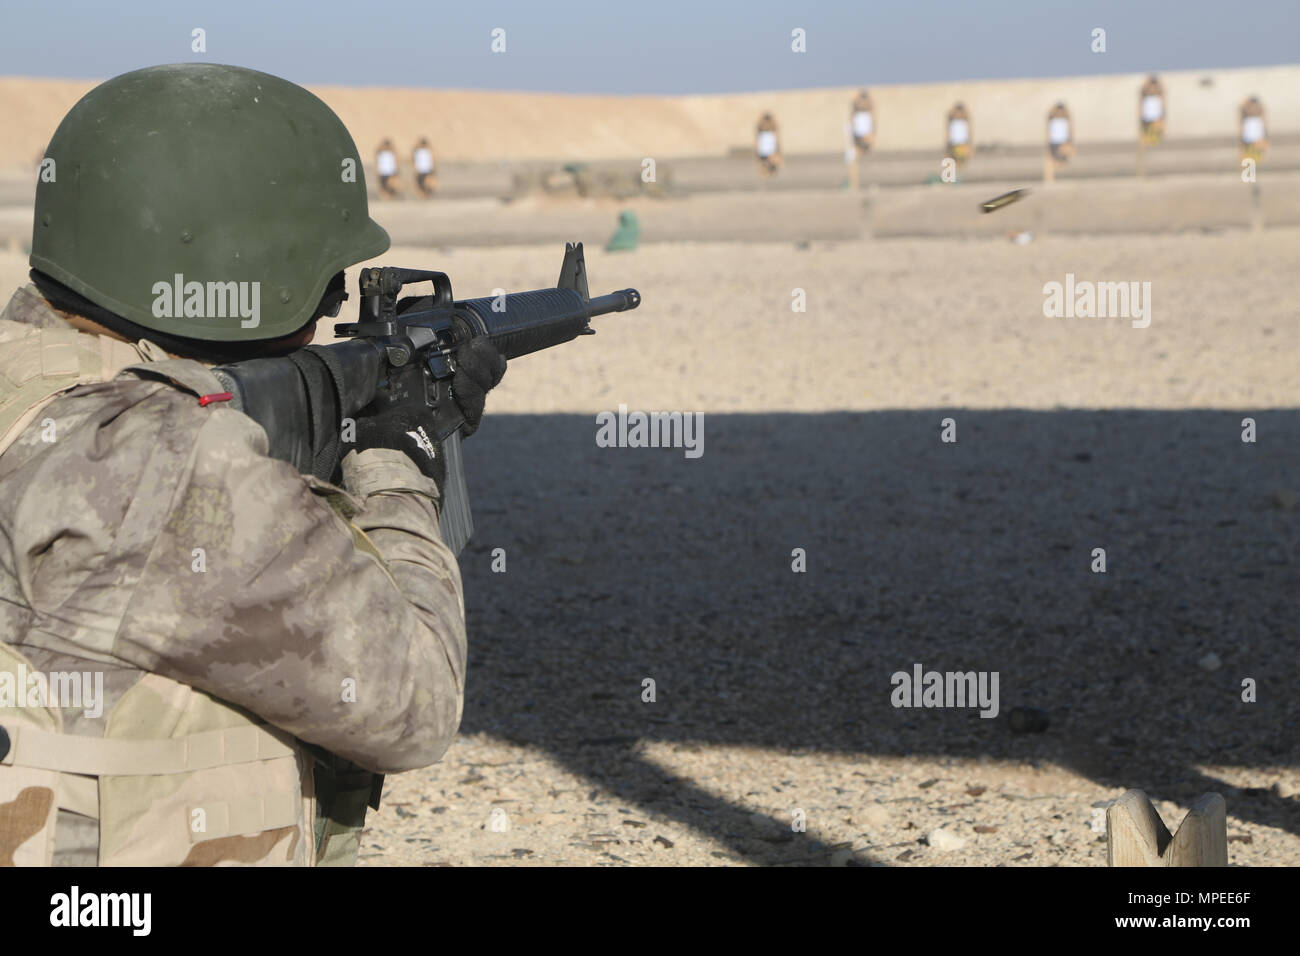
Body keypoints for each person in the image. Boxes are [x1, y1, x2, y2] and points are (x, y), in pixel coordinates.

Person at [0, 63, 505, 866]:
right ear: (250, 279)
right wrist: (398, 454)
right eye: (324, 291)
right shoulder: (164, 463)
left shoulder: (27, 385)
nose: (326, 319)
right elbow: (415, 701)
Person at [1045, 101, 1074, 182]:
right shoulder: (1052, 119)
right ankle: (1051, 177)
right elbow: (1049, 132)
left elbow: (1069, 131)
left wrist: (1070, 141)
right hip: (1054, 142)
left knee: (1063, 160)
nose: (1059, 112)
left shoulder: (1065, 119)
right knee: (1053, 161)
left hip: (1063, 141)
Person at [1139, 74, 1166, 146]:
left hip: (1156, 112)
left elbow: (1162, 92)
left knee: (1155, 128)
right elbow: (1143, 92)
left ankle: (1154, 141)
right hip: (1148, 112)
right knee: (1147, 128)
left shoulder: (1158, 91)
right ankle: (1148, 140)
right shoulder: (1146, 91)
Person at [1240, 96, 1267, 164]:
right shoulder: (1247, 109)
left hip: (1255, 127)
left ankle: (1257, 159)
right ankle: (1251, 159)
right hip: (1250, 127)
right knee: (1249, 146)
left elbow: (1263, 120)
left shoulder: (1258, 110)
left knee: (1257, 145)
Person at [945, 101, 974, 167]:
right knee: (954, 162)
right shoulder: (952, 119)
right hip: (954, 143)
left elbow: (970, 132)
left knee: (961, 163)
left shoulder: (964, 119)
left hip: (963, 143)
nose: (958, 114)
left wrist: (970, 146)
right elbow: (948, 132)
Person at [755, 112, 782, 177]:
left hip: (769, 141)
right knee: (765, 159)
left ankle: (769, 171)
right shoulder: (763, 125)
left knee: (770, 158)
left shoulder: (770, 125)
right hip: (765, 141)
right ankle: (766, 171)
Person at [850, 90, 876, 156]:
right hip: (860, 119)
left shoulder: (868, 105)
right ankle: (860, 150)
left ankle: (864, 150)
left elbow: (871, 109)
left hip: (865, 119)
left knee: (865, 137)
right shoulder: (857, 105)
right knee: (859, 138)